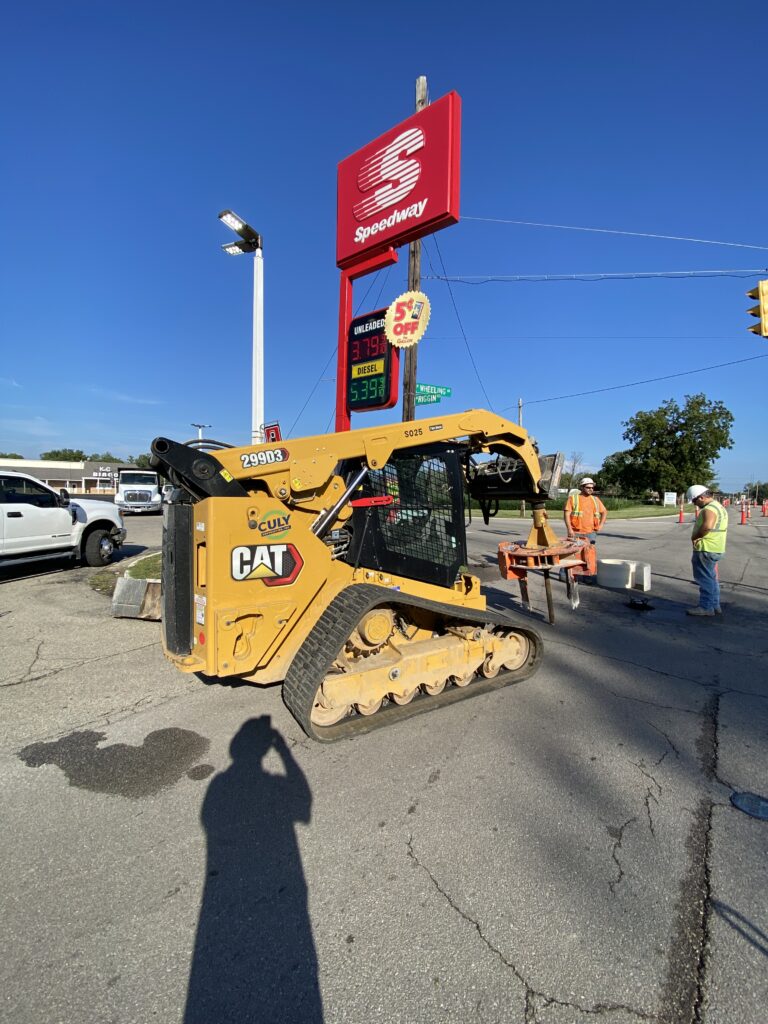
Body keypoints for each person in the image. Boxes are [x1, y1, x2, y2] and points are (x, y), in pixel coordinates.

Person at [686, 485, 728, 616]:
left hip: (706, 548)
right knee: (711, 578)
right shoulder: (719, 507)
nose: (694, 504)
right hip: (716, 547)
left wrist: (695, 536)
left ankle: (706, 607)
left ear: (702, 497)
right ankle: (715, 605)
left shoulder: (709, 509)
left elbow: (707, 527)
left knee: (704, 579)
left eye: (694, 501)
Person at [564, 477, 607, 544]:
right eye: (588, 487)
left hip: (591, 533)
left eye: (592, 488)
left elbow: (604, 512)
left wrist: (601, 525)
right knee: (576, 553)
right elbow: (566, 515)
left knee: (590, 553)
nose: (591, 489)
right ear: (581, 487)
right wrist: (569, 529)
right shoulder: (573, 499)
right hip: (576, 532)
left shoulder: (595, 499)